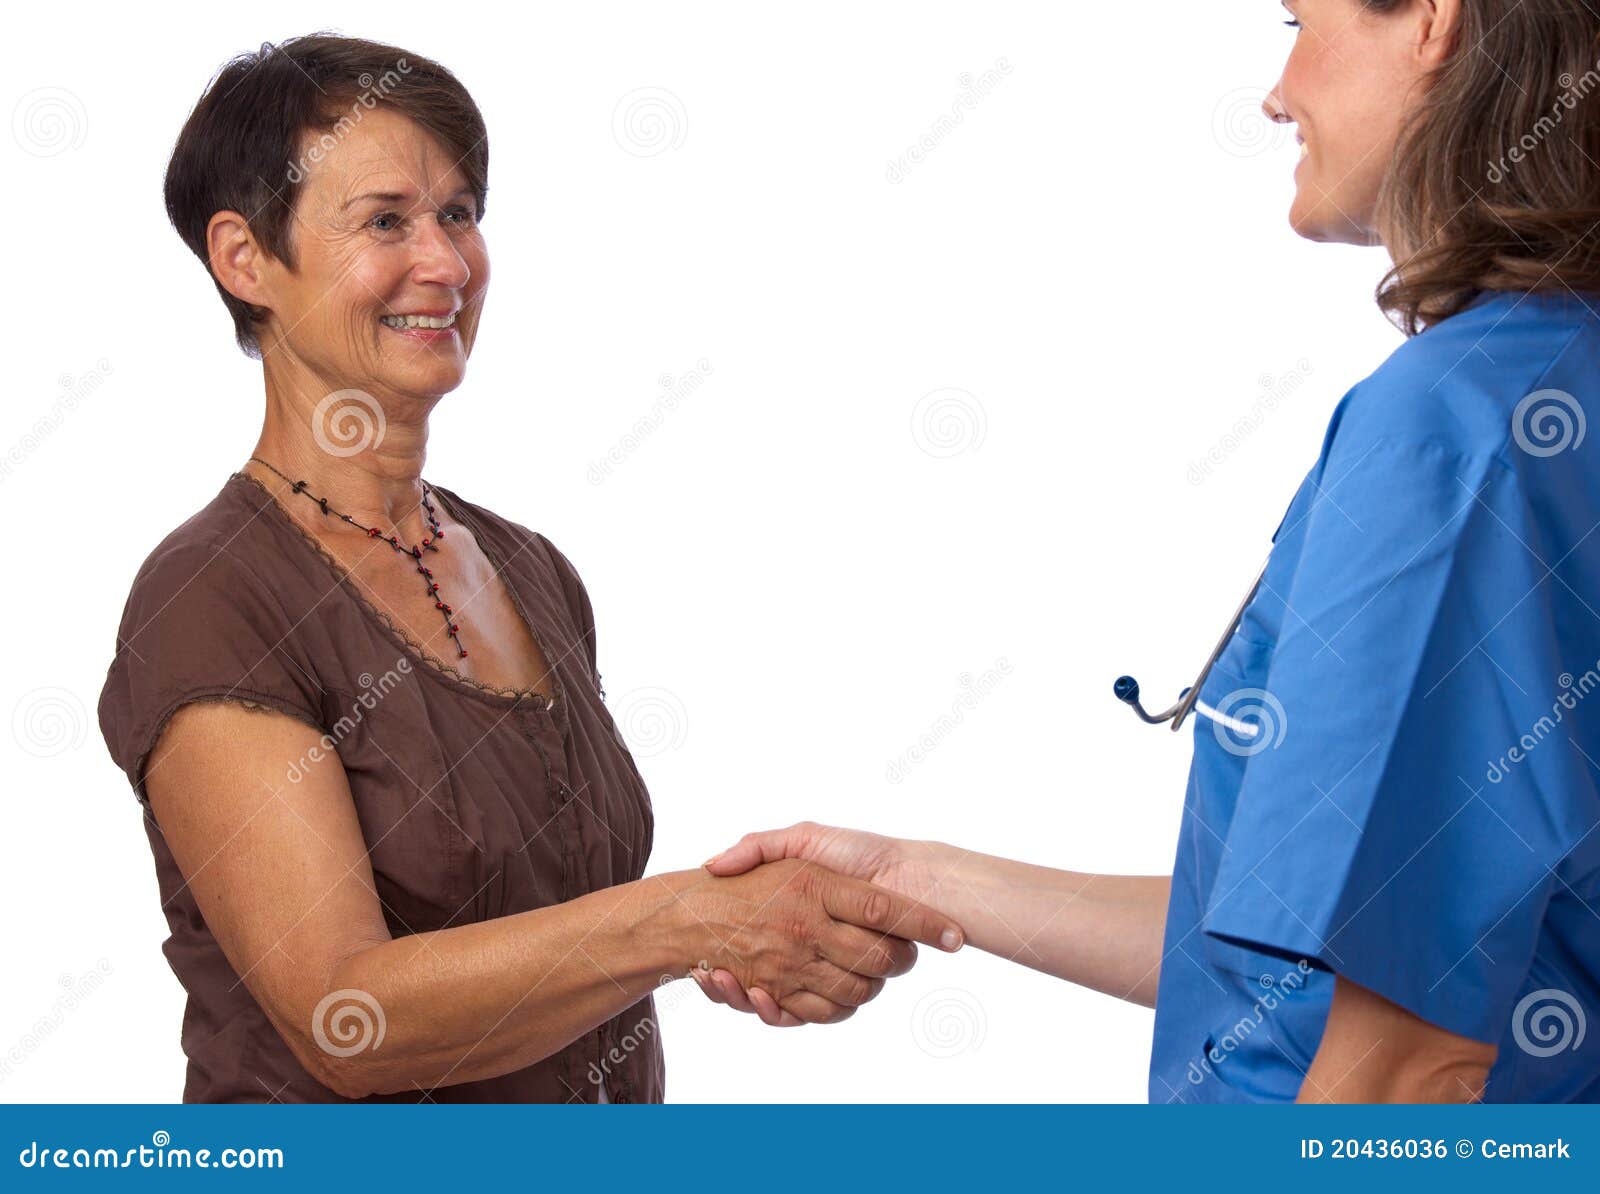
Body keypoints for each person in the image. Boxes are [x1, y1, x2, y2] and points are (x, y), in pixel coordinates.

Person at [700, 0, 1600, 1102]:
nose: (1276, 93)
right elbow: (1299, 952)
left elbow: (1407, 1068)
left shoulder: (1447, 425)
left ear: (1429, 19)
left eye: (1294, 22)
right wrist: (913, 875)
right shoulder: (1554, 387)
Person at [96, 34, 963, 1104]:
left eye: (459, 214)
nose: (447, 265)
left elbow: (562, 946)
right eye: (386, 221)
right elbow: (346, 1021)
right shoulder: (214, 599)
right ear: (245, 260)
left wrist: (742, 934)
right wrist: (683, 918)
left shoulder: (525, 568)